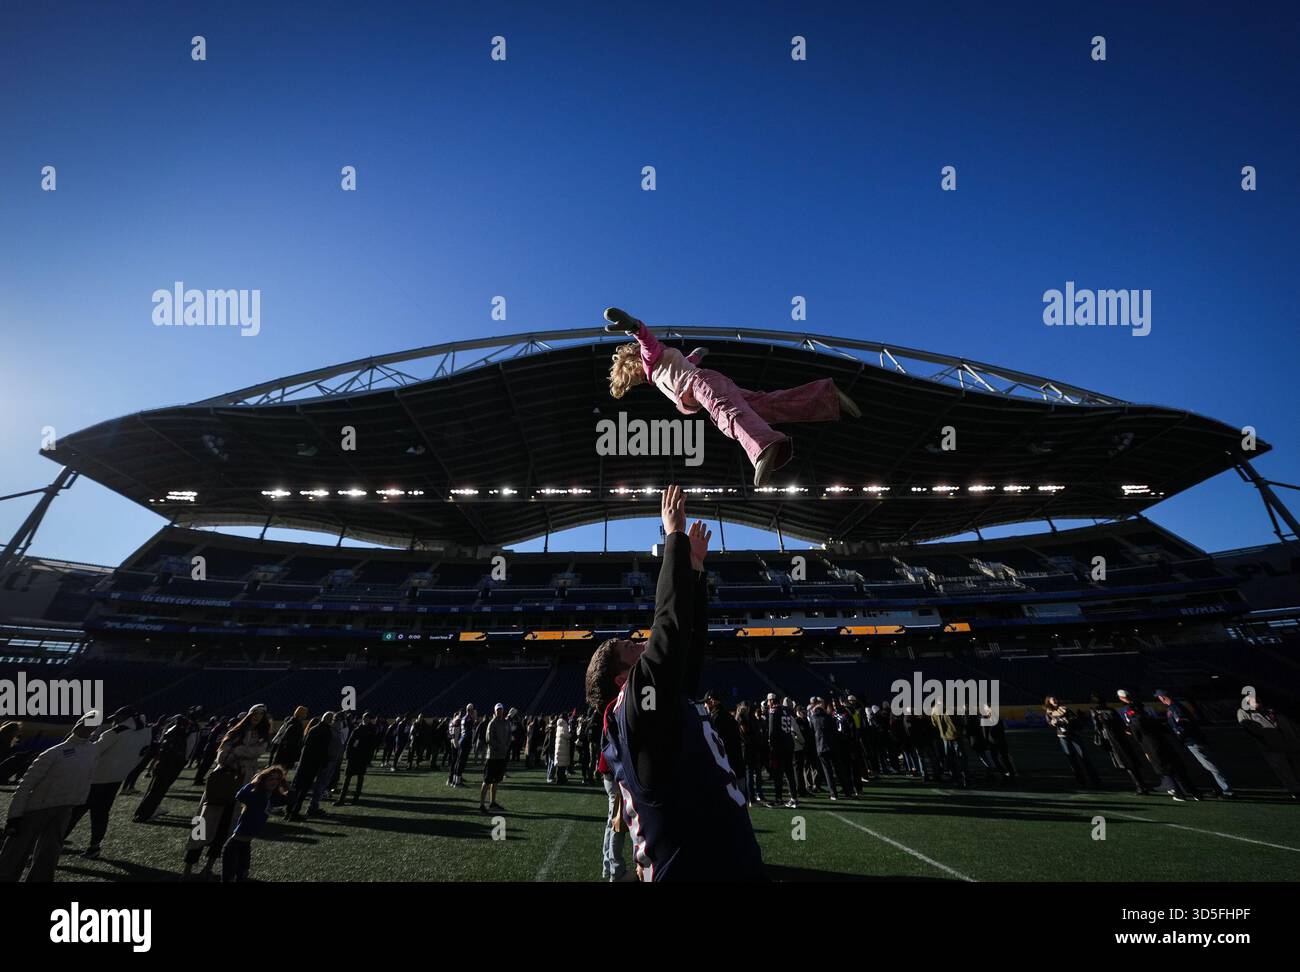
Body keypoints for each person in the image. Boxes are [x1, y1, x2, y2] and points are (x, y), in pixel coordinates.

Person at [585, 484, 764, 881]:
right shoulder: (633, 706)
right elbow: (668, 627)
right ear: (621, 679)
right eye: (630, 649)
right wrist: (674, 540)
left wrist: (696, 573)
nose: (639, 643)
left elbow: (688, 646)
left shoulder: (655, 703)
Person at [603, 308, 859, 486]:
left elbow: (647, 342)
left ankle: (762, 448)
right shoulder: (659, 368)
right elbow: (686, 362)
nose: (636, 378)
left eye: (632, 374)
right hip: (706, 380)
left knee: (724, 413)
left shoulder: (650, 358)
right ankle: (827, 396)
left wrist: (633, 326)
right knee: (767, 405)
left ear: (634, 363)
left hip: (702, 384)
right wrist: (696, 355)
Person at [0, 711, 98, 882]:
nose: (89, 729)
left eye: (93, 726)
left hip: (65, 807)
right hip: (36, 807)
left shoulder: (91, 750)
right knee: (16, 852)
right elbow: (25, 785)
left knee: (49, 853)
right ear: (79, 724)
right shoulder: (54, 753)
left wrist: (78, 800)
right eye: (86, 724)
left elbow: (87, 776)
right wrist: (14, 816)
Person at [184, 705, 269, 879]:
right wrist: (233, 758)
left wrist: (236, 751)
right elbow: (221, 754)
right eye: (255, 713)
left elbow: (258, 751)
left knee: (225, 827)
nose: (257, 716)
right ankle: (188, 866)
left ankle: (209, 865)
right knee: (202, 823)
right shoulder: (235, 731)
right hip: (222, 779)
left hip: (242, 781)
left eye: (261, 714)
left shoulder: (262, 735)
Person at [65, 706, 153, 858]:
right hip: (115, 780)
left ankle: (54, 843)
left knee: (74, 812)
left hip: (95, 779)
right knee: (101, 814)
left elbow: (93, 752)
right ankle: (94, 847)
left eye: (117, 718)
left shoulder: (115, 732)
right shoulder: (146, 733)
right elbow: (141, 756)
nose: (114, 721)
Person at [1116, 689, 1198, 801]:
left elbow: (1137, 735)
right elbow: (1165, 729)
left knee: (1165, 770)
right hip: (1165, 744)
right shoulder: (1150, 717)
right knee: (1178, 768)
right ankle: (1194, 792)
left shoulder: (1135, 721)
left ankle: (1178, 792)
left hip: (1152, 747)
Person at [1155, 690, 1233, 798]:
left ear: (1162, 697)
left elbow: (1183, 724)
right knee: (1207, 766)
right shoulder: (1175, 707)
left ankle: (1227, 791)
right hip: (1192, 740)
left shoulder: (1175, 708)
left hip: (1193, 741)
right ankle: (1218, 789)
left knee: (1211, 766)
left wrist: (1180, 736)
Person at [221, 765, 288, 882]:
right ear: (263, 780)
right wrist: (253, 783)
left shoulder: (272, 798)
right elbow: (240, 796)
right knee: (228, 877)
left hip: (246, 844)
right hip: (234, 844)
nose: (274, 782)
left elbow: (290, 799)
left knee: (242, 875)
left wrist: (285, 785)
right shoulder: (255, 795)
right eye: (271, 779)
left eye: (277, 779)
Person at [1237, 692, 1300, 798]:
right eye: (1252, 701)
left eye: (1257, 701)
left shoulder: (1267, 711)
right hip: (1270, 746)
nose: (1256, 703)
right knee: (1284, 769)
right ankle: (1295, 791)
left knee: (1295, 766)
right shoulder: (1244, 712)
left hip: (1285, 743)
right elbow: (1249, 728)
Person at [133, 713, 191, 821]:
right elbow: (174, 755)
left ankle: (142, 813)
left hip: (163, 766)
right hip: (167, 767)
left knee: (154, 791)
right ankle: (144, 815)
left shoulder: (171, 732)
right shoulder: (177, 735)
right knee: (156, 792)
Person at [1089, 692, 1148, 794]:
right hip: (1120, 736)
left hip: (1111, 738)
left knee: (1125, 761)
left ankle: (1140, 786)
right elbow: (1121, 724)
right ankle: (1141, 783)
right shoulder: (1111, 710)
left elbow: (1097, 727)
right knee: (1130, 759)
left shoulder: (1095, 711)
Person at [286, 712, 335, 819]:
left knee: (296, 787)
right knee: (303, 790)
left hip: (304, 761)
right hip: (313, 763)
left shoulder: (313, 729)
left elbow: (304, 745)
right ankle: (295, 813)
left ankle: (288, 811)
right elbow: (324, 750)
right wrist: (324, 763)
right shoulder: (327, 731)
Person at [1044, 696, 1099, 788]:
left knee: (1084, 757)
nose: (1055, 700)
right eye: (1053, 700)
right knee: (1072, 760)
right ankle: (1081, 780)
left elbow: (1074, 718)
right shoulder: (1048, 712)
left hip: (1073, 735)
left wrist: (1067, 720)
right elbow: (1049, 723)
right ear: (1049, 702)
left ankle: (1094, 779)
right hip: (1063, 737)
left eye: (1056, 699)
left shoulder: (1064, 708)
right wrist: (1053, 722)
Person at [336, 712, 380, 805]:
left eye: (368, 718)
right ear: (362, 719)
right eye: (365, 718)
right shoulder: (357, 730)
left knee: (359, 779)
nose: (366, 720)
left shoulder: (372, 730)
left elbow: (372, 746)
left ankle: (355, 799)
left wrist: (368, 759)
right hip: (353, 758)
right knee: (347, 779)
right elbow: (349, 743)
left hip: (362, 758)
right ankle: (341, 799)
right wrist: (347, 756)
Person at [480, 703, 511, 813]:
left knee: (496, 781)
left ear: (503, 710)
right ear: (495, 711)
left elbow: (509, 736)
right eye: (497, 710)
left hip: (501, 756)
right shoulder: (492, 723)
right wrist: (499, 747)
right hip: (492, 756)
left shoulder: (506, 723)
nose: (499, 711)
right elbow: (489, 739)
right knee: (487, 780)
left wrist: (506, 746)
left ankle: (492, 802)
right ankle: (482, 805)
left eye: (501, 710)